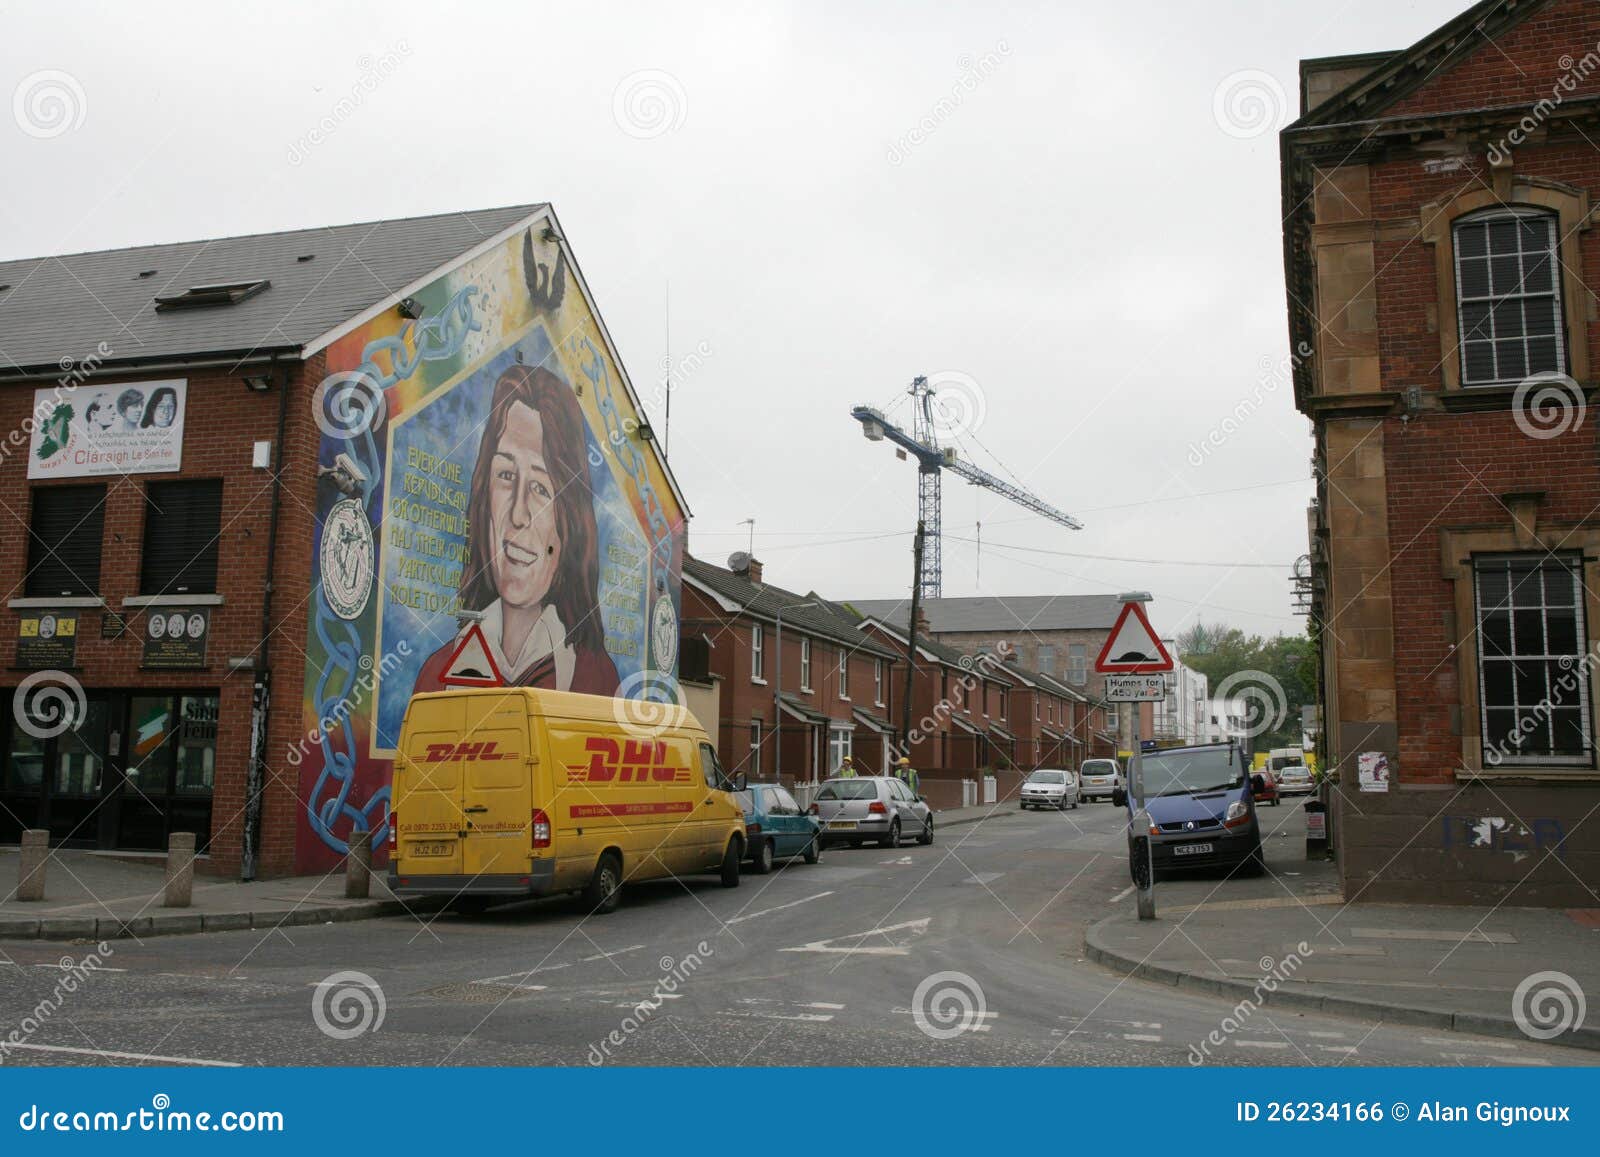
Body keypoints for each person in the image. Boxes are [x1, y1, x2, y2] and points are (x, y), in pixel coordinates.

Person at [412, 363, 619, 695]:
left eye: (540, 488)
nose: (519, 514)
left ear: (570, 520)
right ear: (484, 496)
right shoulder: (437, 675)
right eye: (506, 476)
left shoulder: (596, 677)